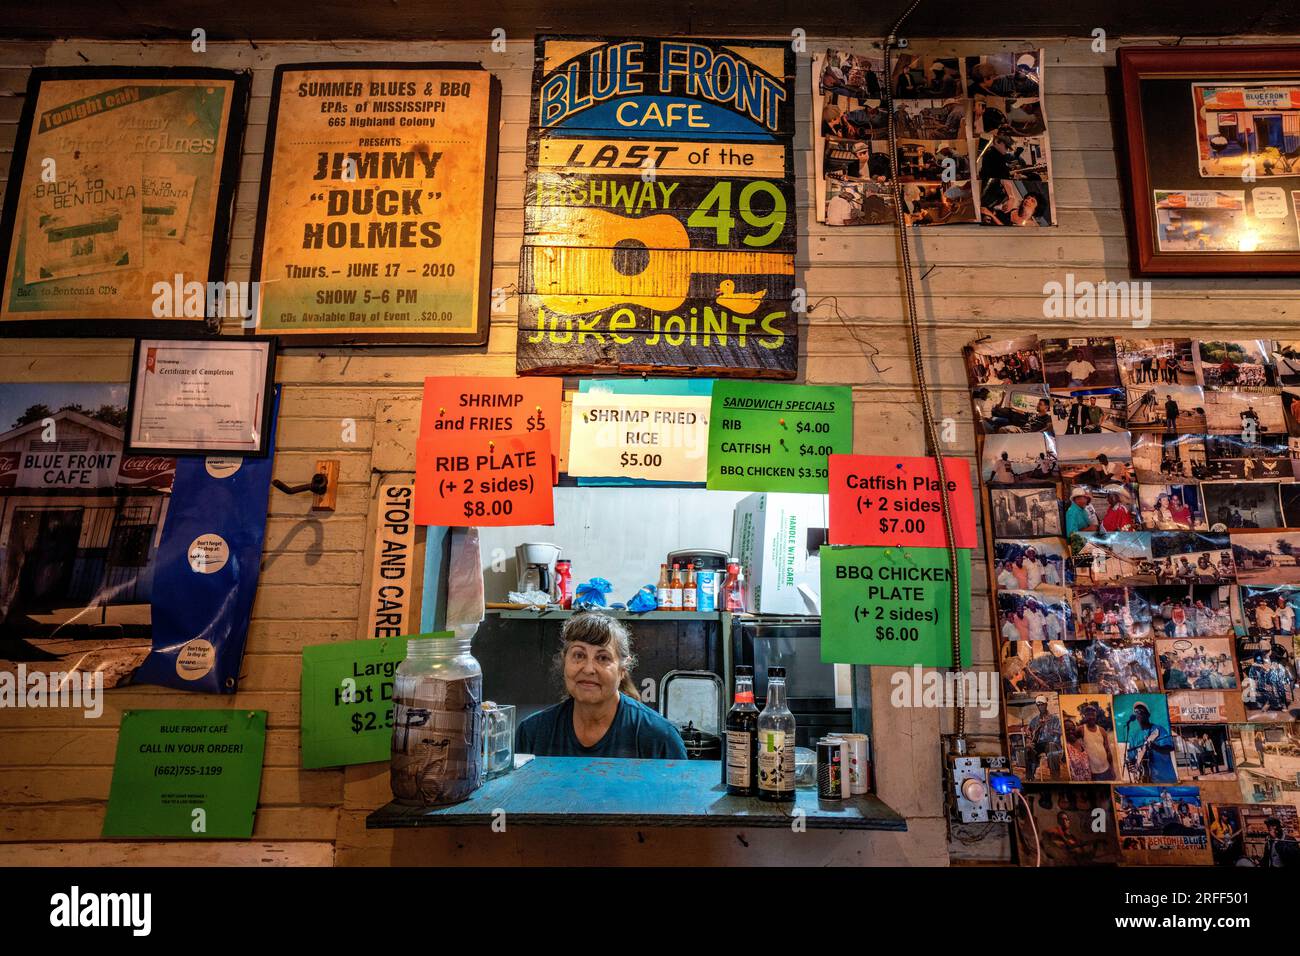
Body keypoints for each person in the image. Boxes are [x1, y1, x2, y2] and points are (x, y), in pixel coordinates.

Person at [516, 613, 687, 759]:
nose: (589, 669)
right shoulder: (533, 733)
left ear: (622, 669)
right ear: (564, 660)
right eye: (579, 655)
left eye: (603, 658)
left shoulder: (660, 738)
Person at [1123, 701, 1176, 783]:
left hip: (1165, 778)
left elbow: (1169, 748)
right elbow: (1131, 758)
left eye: (1141, 711)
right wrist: (1131, 765)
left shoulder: (1158, 730)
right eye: (1136, 711)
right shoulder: (1133, 737)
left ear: (1148, 715)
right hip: (1144, 780)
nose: (1138, 713)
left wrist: (1155, 747)